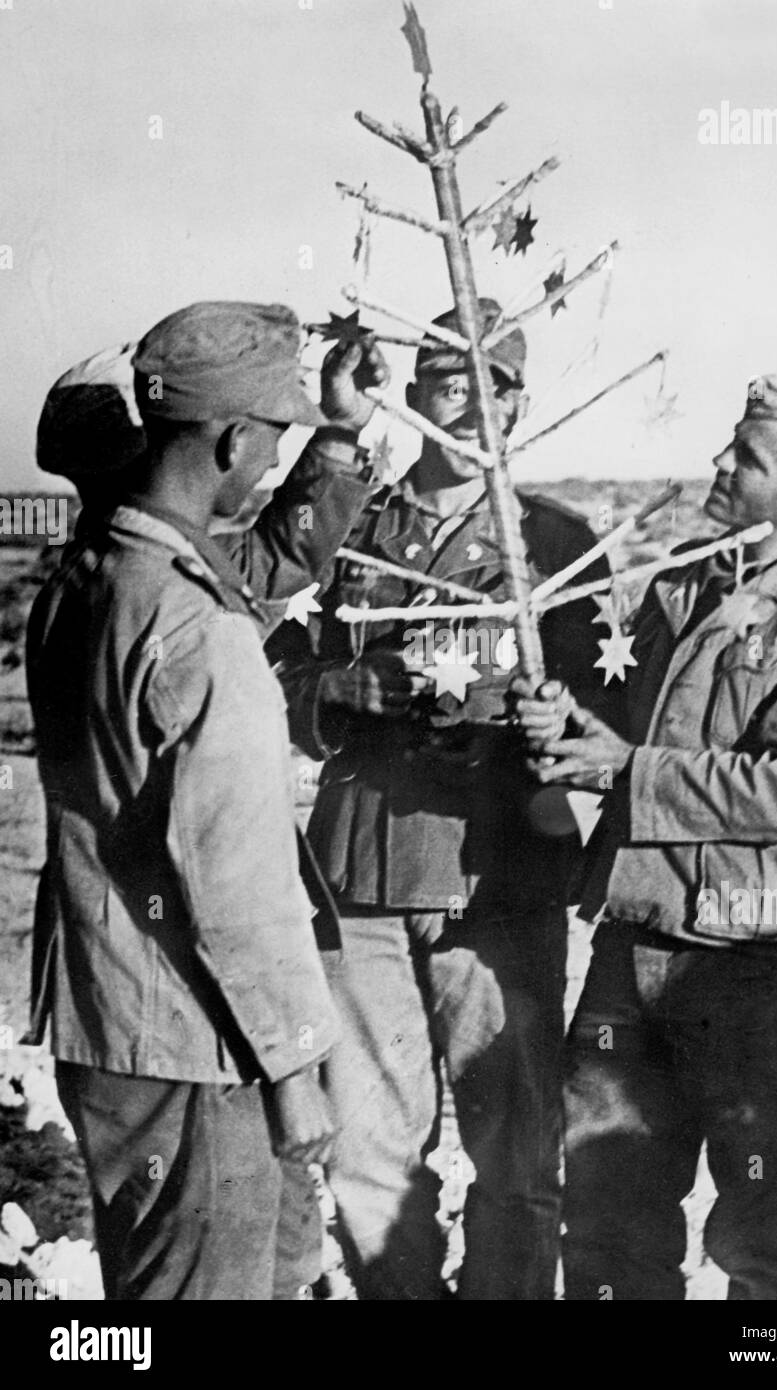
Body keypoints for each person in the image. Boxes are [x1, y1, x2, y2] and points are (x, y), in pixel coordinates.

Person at [25, 300, 382, 1301]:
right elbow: (234, 881)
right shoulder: (193, 625)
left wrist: (338, 441)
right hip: (206, 1045)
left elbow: (250, 572)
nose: (271, 460)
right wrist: (291, 1066)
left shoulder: (87, 580)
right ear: (230, 439)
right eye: (272, 440)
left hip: (112, 1023)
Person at [514, 374, 777, 1301]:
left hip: (749, 962)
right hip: (633, 935)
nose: (721, 462)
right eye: (730, 442)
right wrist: (570, 716)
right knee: (607, 1213)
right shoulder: (685, 581)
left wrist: (619, 770)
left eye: (749, 458)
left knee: (757, 1228)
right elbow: (629, 710)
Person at [265, 299, 609, 1300]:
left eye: (486, 392)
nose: (462, 412)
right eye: (444, 387)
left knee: (512, 1155)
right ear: (410, 394)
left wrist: (533, 711)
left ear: (516, 406)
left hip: (498, 873)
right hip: (362, 874)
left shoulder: (555, 542)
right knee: (370, 1154)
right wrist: (334, 689)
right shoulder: (349, 525)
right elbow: (267, 674)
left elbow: (602, 707)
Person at [35, 331, 390, 602]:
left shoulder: (134, 568)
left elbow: (278, 556)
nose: (271, 461)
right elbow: (274, 560)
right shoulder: (153, 591)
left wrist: (341, 430)